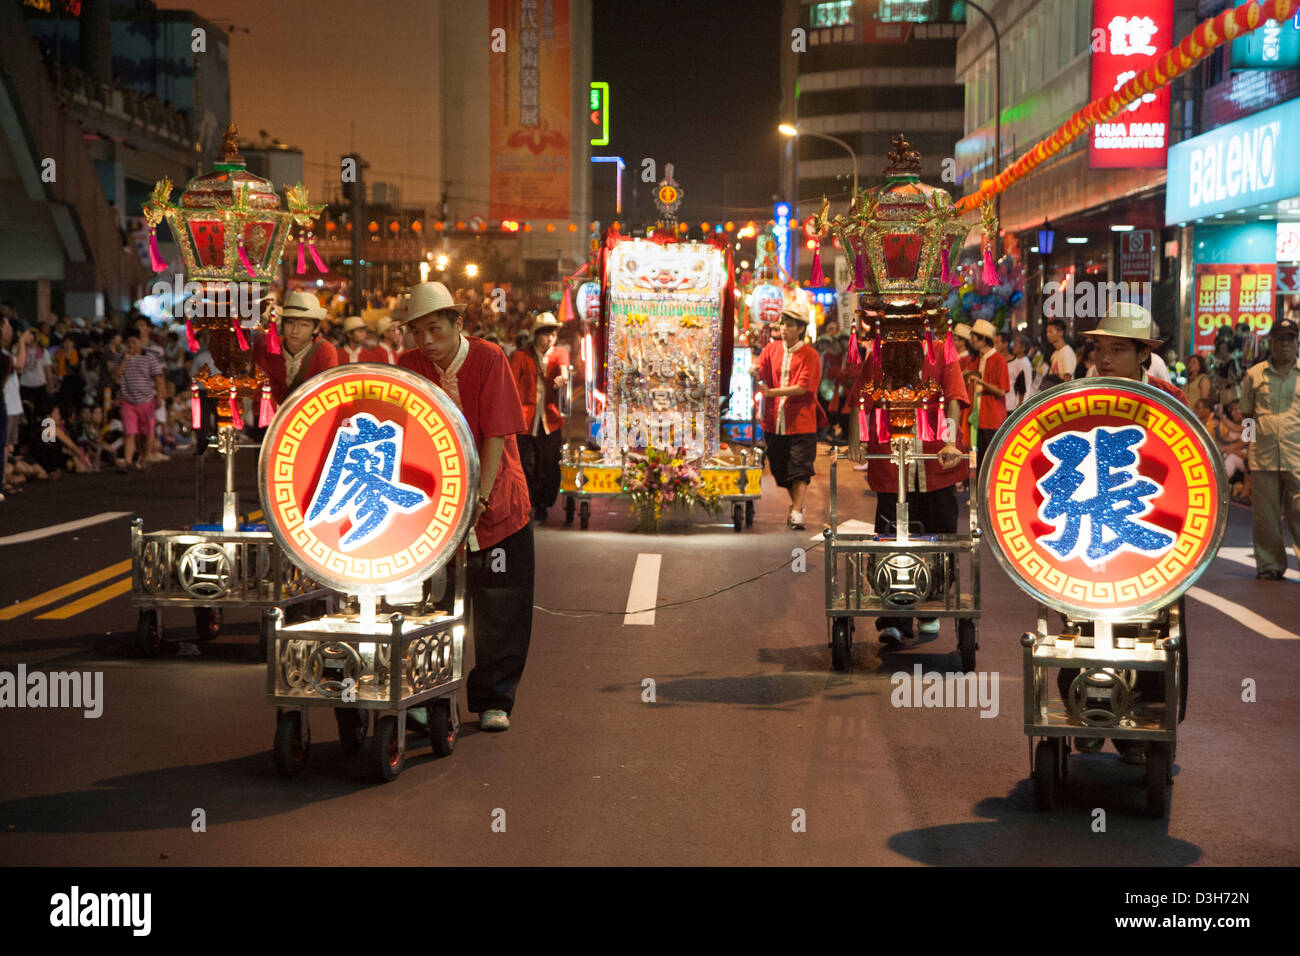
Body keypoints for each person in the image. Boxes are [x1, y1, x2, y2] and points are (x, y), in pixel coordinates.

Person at [397, 281, 533, 733]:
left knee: (500, 606)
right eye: (417, 333)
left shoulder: (489, 357)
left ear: (458, 324)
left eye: (434, 329)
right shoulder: (408, 367)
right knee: (432, 606)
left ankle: (495, 699)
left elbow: (497, 433)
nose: (426, 342)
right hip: (434, 510)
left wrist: (479, 497)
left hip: (498, 506)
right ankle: (426, 694)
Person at [1061, 303, 1187, 763]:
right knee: (1077, 628)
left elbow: (1189, 477)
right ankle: (1087, 714)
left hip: (1149, 537)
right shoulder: (1074, 398)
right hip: (1088, 537)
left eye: (1118, 350)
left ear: (1143, 356)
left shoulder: (1170, 400)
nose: (1106, 359)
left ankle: (1139, 732)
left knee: (1151, 636)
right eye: (1100, 349)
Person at [847, 311, 970, 645]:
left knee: (938, 538)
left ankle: (930, 608)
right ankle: (894, 616)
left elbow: (954, 399)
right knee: (889, 538)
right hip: (891, 463)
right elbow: (862, 399)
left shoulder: (944, 350)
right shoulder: (881, 352)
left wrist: (948, 441)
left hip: (934, 462)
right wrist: (856, 440)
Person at [754, 298, 824, 530]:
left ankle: (797, 511)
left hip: (802, 422)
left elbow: (803, 387)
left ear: (801, 328)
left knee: (800, 467)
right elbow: (761, 369)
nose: (783, 328)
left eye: (790, 325)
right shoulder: (771, 349)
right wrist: (754, 369)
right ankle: (796, 504)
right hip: (774, 421)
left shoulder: (810, 355)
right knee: (778, 468)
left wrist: (771, 392)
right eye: (782, 324)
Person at [1238, 317, 1300, 581]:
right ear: (1271, 343)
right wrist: (1247, 448)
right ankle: (1269, 565)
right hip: (1262, 456)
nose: (1285, 345)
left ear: (1297, 343)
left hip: (1297, 456)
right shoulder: (1254, 374)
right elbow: (1247, 416)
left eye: (1290, 340)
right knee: (1266, 517)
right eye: (1280, 340)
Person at [509, 312, 569, 522]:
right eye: (545, 334)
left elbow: (563, 369)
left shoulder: (559, 353)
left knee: (550, 462)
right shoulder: (520, 356)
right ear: (535, 336)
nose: (550, 338)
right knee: (525, 464)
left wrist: (562, 379)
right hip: (525, 420)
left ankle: (544, 503)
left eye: (552, 334)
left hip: (550, 419)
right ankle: (527, 502)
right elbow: (511, 384)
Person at [253, 291, 340, 407]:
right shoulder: (269, 347)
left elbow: (329, 390)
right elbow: (259, 387)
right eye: (290, 322)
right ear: (283, 324)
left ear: (315, 328)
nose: (295, 330)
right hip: (272, 418)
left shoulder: (325, 350)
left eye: (304, 325)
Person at [963, 318, 1009, 478]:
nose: (972, 341)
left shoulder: (999, 360)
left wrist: (981, 382)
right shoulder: (976, 360)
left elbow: (1002, 391)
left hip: (992, 418)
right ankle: (977, 492)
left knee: (991, 459)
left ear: (983, 339)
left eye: (974, 338)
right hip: (976, 417)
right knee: (977, 457)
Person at [113, 329, 164, 470]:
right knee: (129, 432)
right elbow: (116, 376)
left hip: (147, 401)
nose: (131, 345)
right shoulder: (120, 358)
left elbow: (158, 378)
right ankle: (128, 462)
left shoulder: (150, 357)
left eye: (134, 341)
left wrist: (159, 397)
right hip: (128, 401)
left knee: (147, 432)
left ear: (140, 342)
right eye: (128, 342)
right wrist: (125, 360)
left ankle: (145, 457)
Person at [1005, 333, 1034, 412]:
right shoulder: (1014, 360)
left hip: (1017, 403)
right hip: (1009, 400)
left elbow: (1027, 384)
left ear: (1023, 348)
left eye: (1016, 345)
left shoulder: (1025, 363)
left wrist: (1022, 403)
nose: (1013, 347)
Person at [1044, 318, 1076, 386]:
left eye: (1050, 332)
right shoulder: (1055, 353)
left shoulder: (1067, 352)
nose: (1047, 335)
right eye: (1047, 332)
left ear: (1061, 333)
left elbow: (1067, 379)